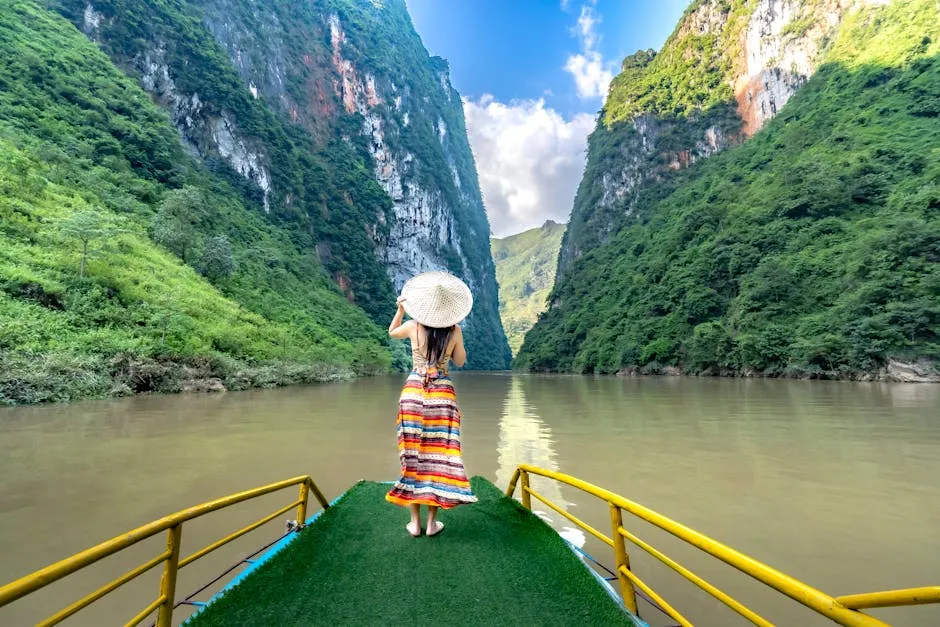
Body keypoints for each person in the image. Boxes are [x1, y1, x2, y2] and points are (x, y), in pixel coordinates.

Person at [385, 271, 478, 537]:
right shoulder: (455, 330)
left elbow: (392, 332)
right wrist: (456, 340)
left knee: (412, 455)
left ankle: (414, 523)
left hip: (414, 393)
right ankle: (431, 524)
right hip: (441, 396)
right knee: (438, 456)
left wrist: (401, 310)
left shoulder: (413, 326)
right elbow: (460, 361)